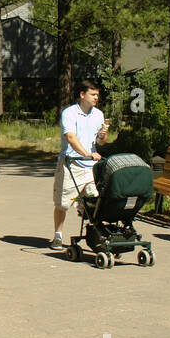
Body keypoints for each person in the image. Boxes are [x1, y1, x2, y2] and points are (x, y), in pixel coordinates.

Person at [51, 80, 109, 250]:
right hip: (71, 164)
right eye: (93, 94)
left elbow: (101, 142)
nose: (96, 98)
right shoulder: (69, 113)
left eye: (97, 95)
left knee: (95, 203)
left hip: (91, 167)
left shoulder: (98, 114)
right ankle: (57, 236)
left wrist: (102, 135)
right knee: (62, 204)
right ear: (82, 95)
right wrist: (86, 154)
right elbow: (71, 137)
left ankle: (97, 237)